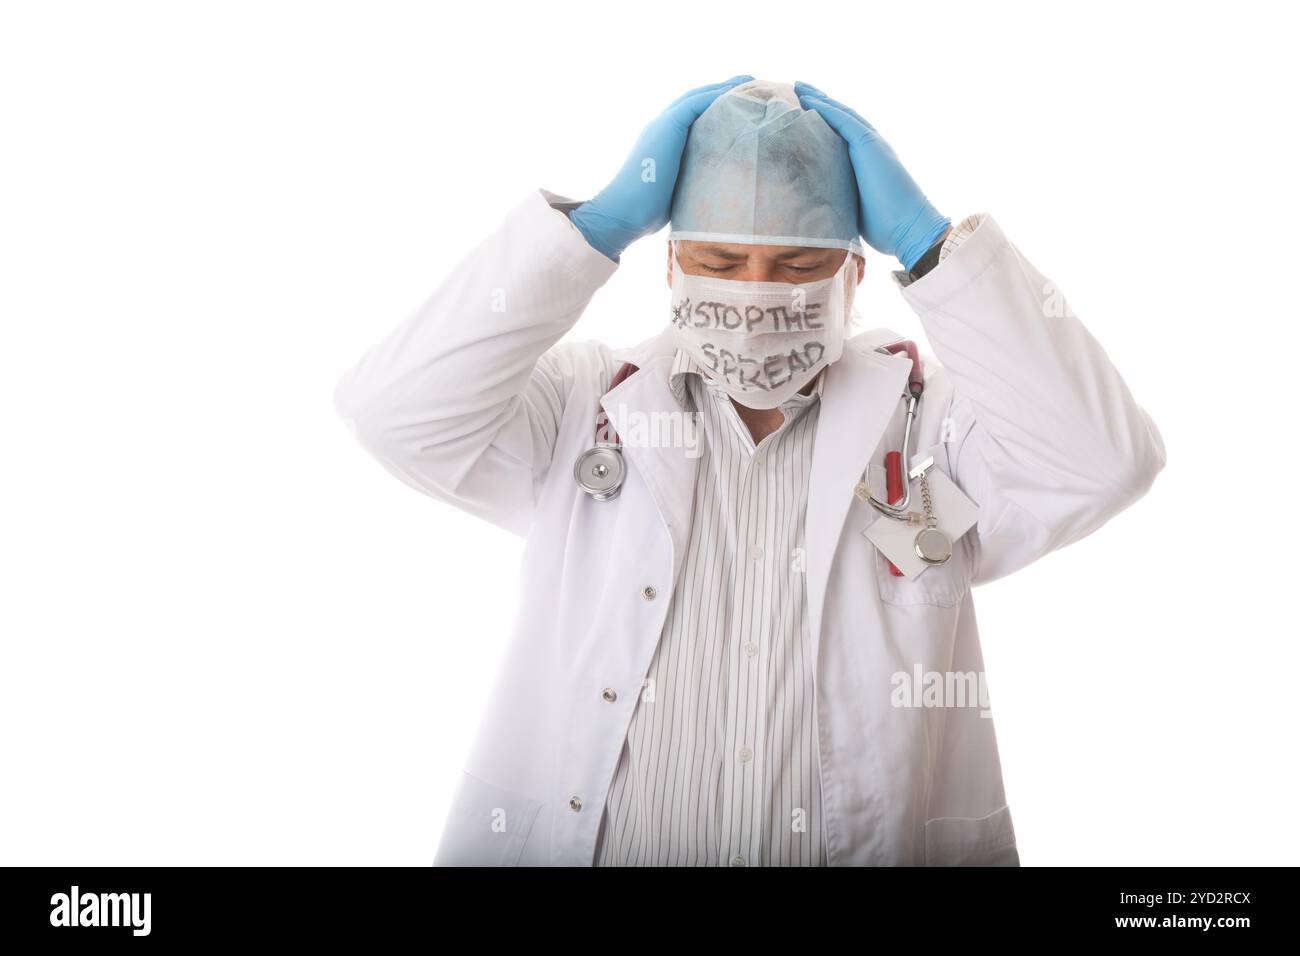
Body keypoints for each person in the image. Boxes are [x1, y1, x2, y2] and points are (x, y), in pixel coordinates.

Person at [333, 77, 1166, 866]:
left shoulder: (929, 431)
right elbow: (395, 412)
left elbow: (1105, 460)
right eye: (721, 264)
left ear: (854, 274)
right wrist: (592, 230)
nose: (757, 295)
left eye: (799, 266)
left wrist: (932, 243)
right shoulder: (583, 405)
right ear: (668, 268)